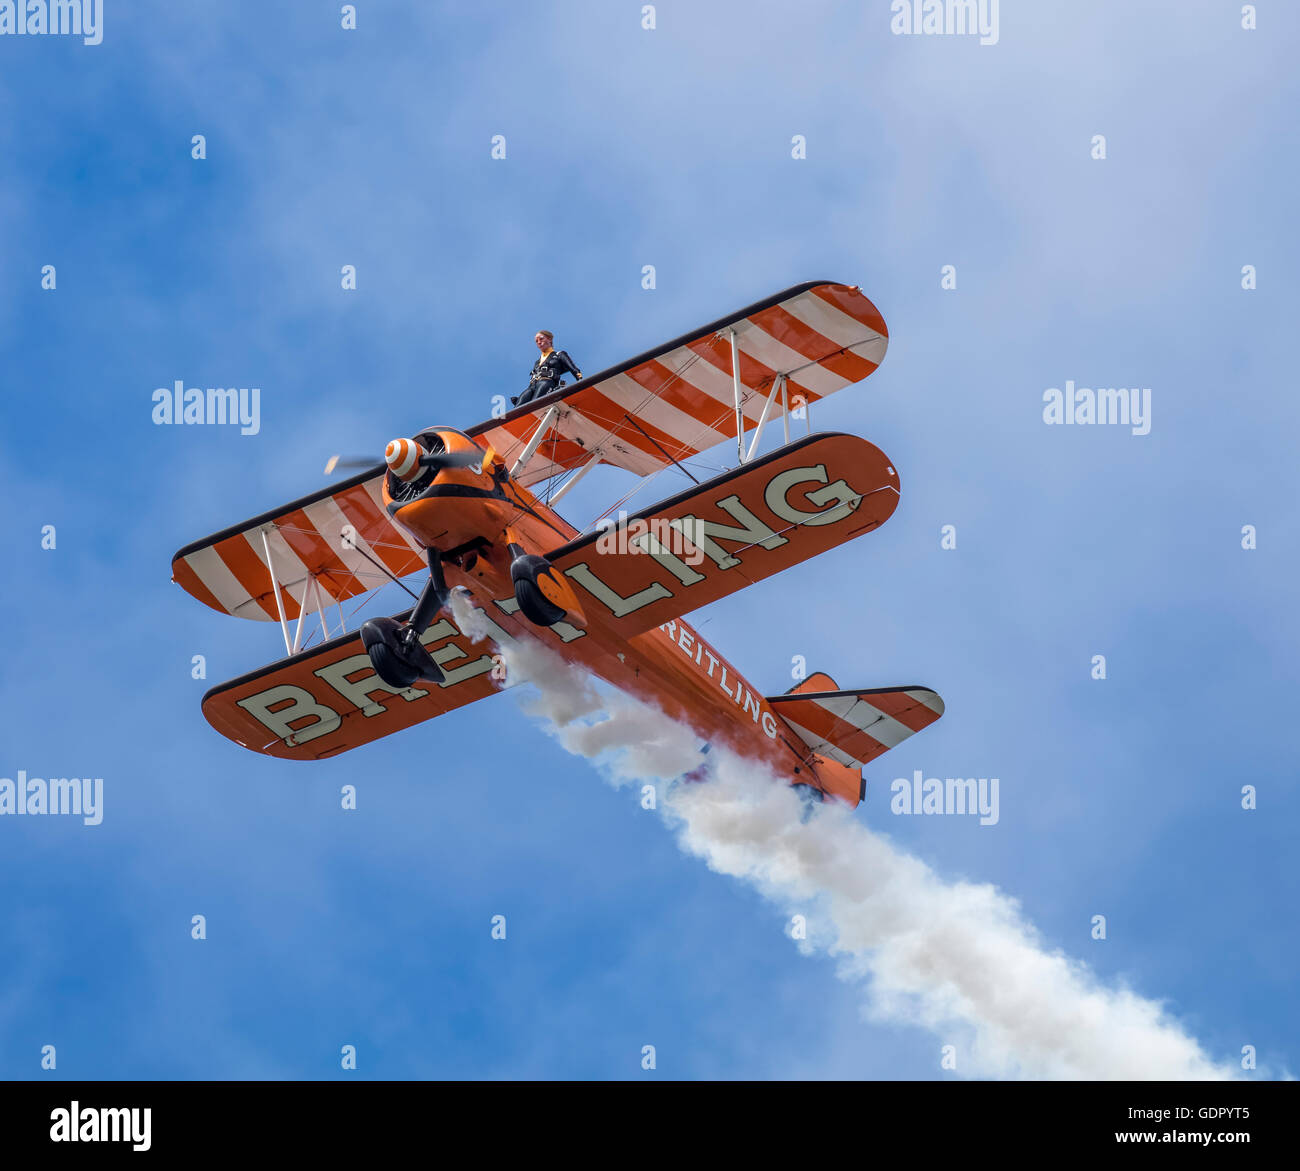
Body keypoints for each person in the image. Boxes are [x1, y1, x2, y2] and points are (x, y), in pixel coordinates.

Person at [513, 330, 583, 406]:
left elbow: (574, 369)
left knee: (534, 404)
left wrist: (580, 382)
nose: (539, 342)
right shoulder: (537, 362)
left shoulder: (559, 355)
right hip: (532, 386)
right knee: (518, 406)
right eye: (536, 341)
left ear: (549, 339)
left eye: (541, 339)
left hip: (546, 383)